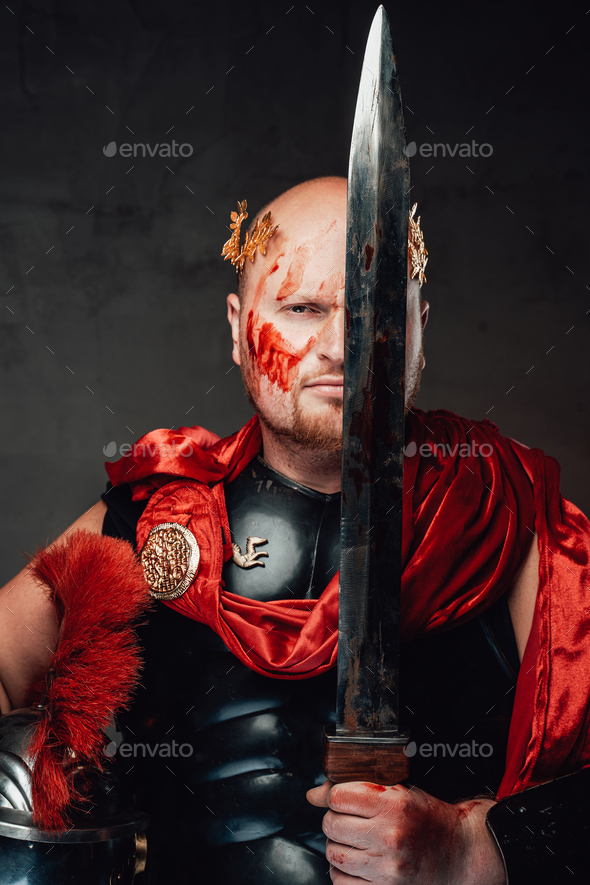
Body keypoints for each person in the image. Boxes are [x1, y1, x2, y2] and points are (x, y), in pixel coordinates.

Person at [0, 176, 588, 884]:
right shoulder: (159, 519)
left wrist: (479, 848)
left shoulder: (506, 522)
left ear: (421, 327)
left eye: (376, 307)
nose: (343, 346)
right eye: (303, 307)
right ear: (236, 328)